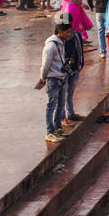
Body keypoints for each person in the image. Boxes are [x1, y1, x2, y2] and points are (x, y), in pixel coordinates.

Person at [36, 15, 73, 143]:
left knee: (61, 105)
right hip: (53, 80)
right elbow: (45, 65)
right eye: (67, 32)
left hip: (61, 78)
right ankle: (49, 132)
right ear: (60, 32)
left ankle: (57, 128)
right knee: (51, 105)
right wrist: (42, 78)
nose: (69, 34)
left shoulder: (61, 43)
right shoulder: (51, 46)